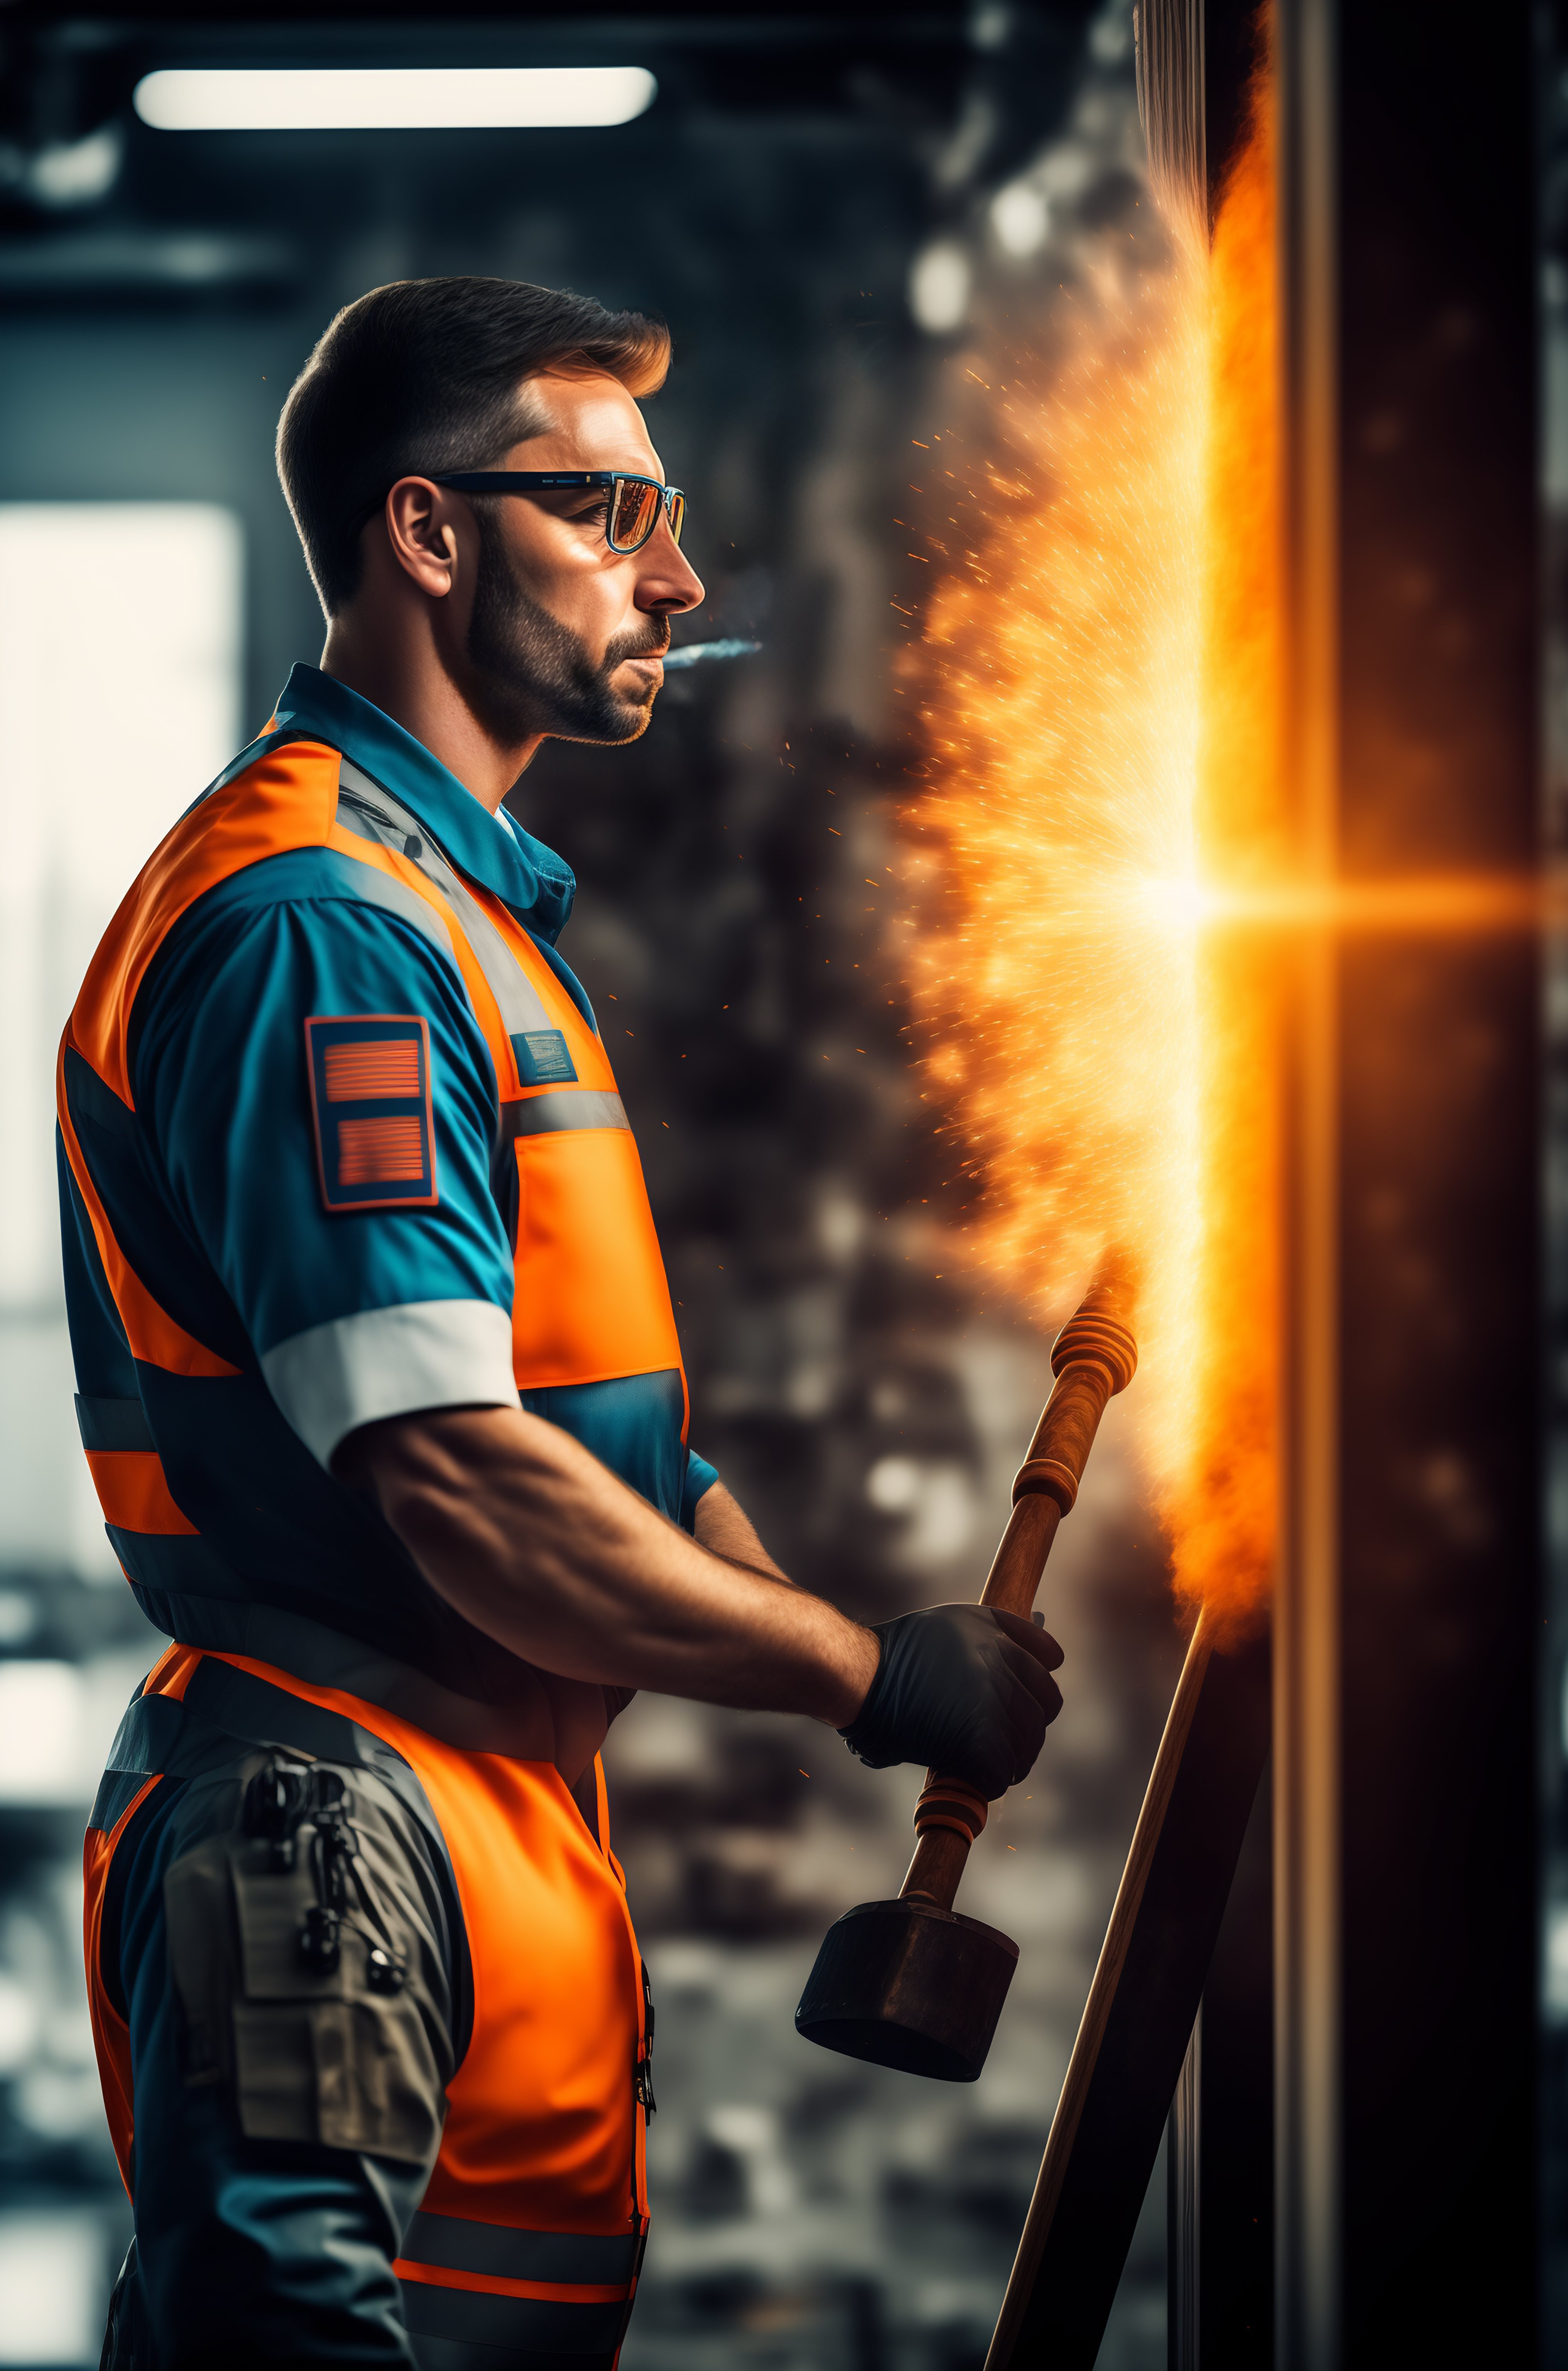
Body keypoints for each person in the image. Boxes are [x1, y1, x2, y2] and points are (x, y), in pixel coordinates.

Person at [62, 275, 1064, 2369]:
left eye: (667, 513)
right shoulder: (326, 930)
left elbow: (613, 1447)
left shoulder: (460, 912)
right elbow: (462, 1485)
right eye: (606, 515)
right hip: (327, 1823)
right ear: (425, 534)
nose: (680, 577)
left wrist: (856, 1647)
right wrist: (865, 1676)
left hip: (482, 1817)